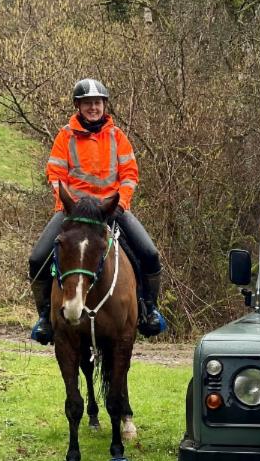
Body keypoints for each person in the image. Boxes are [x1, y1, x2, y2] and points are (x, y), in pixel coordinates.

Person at [28, 78, 167, 344]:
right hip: (74, 212)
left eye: (97, 103)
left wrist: (120, 203)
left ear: (104, 105)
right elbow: (56, 175)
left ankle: (149, 311)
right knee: (37, 259)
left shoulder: (118, 137)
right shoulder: (65, 136)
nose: (93, 107)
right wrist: (70, 205)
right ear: (78, 106)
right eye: (87, 103)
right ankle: (46, 317)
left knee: (149, 253)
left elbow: (129, 175)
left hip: (110, 209)